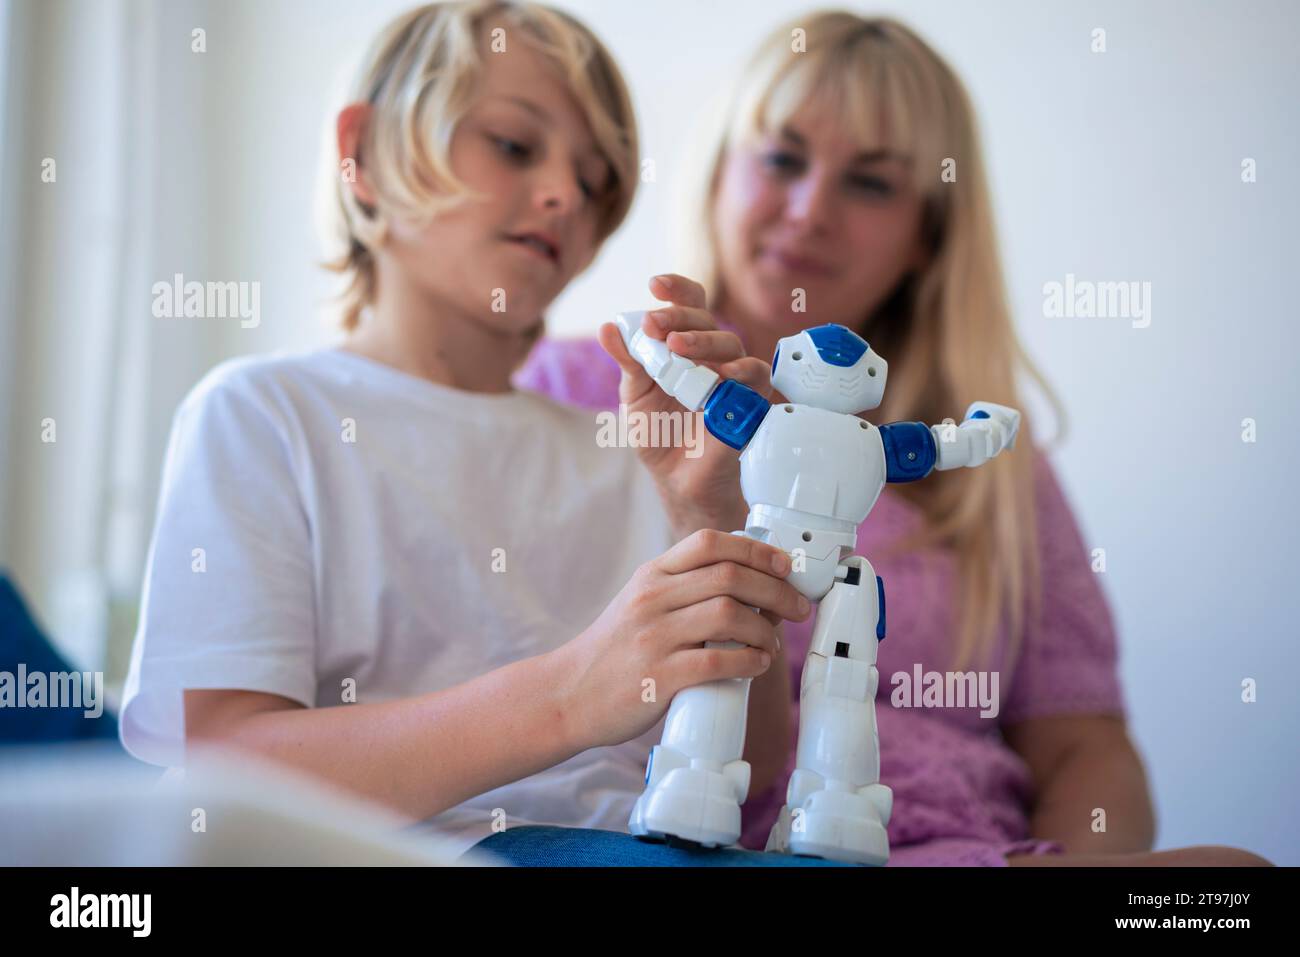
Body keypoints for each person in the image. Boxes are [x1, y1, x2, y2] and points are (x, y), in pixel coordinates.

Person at [516, 11, 1271, 866]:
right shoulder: (575, 392)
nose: (810, 211)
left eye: (871, 183)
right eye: (782, 158)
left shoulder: (995, 478)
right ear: (722, 169)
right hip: (695, 840)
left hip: (970, 852)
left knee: (1225, 888)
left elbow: (1083, 744)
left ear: (929, 235)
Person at [117, 0, 812, 862]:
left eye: (597, 182)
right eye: (515, 145)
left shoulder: (631, 460)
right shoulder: (263, 414)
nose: (565, 196)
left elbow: (756, 773)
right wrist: (569, 695)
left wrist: (711, 520)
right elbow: (225, 765)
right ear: (361, 156)